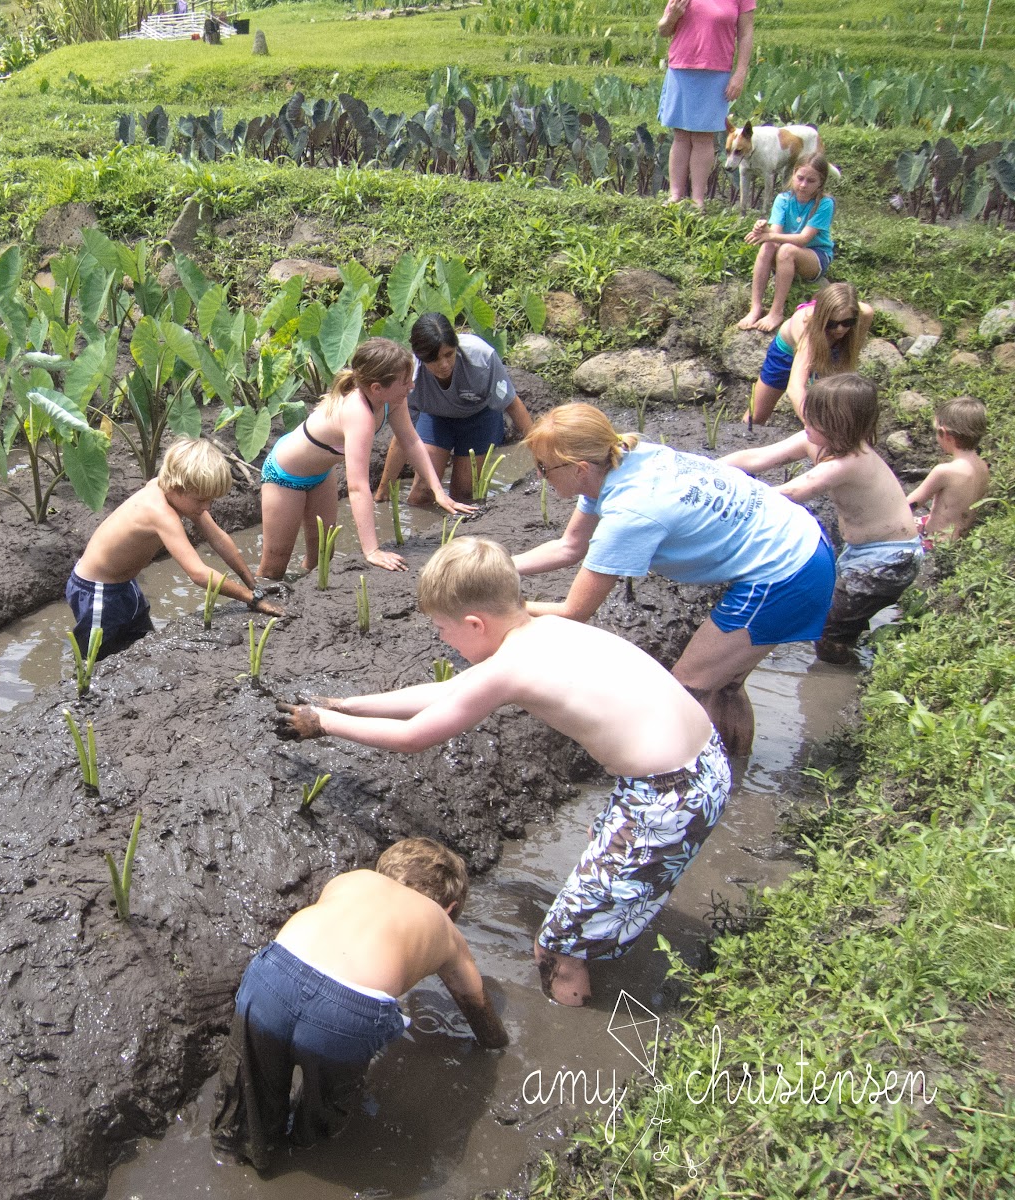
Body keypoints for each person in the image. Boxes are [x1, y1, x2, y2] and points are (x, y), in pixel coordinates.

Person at [275, 538, 730, 1008]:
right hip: (702, 764)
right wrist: (344, 705)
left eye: (442, 629)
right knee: (606, 898)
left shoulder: (512, 668)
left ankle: (568, 1042)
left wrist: (322, 724)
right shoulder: (549, 629)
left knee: (557, 943)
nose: (441, 639)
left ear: (475, 623)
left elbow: (417, 735)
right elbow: (451, 690)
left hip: (666, 798)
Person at [512, 403, 834, 756]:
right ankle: (737, 770)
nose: (541, 476)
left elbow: (575, 611)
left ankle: (704, 785)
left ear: (580, 469)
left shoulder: (631, 513)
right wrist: (499, 568)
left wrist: (503, 607)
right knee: (724, 684)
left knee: (687, 690)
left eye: (544, 467)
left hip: (786, 572)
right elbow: (569, 546)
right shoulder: (622, 460)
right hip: (803, 541)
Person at [210, 836, 509, 1170]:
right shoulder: (444, 927)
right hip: (347, 1011)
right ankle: (308, 1157)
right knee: (323, 1112)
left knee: (248, 1102)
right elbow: (475, 1003)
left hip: (272, 975)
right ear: (450, 908)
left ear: (383, 872)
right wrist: (496, 1048)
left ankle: (236, 1157)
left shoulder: (350, 880)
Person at [720, 374, 922, 665]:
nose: (806, 424)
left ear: (841, 427)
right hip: (862, 553)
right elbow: (756, 458)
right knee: (839, 614)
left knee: (829, 634)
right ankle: (852, 640)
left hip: (889, 560)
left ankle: (842, 679)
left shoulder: (848, 463)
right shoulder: (813, 440)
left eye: (815, 420)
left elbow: (792, 492)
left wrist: (735, 499)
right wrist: (707, 470)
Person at [260, 337, 472, 579]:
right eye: (404, 382)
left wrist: (438, 491)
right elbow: (358, 487)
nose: (411, 387)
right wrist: (371, 550)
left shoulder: (393, 400)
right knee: (274, 565)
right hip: (285, 474)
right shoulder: (358, 413)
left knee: (322, 556)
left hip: (320, 474)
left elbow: (411, 441)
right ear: (376, 388)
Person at [70, 437, 281, 661]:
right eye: (202, 500)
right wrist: (251, 599)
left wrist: (253, 584)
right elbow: (198, 574)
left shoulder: (176, 493)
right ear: (177, 487)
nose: (207, 507)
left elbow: (218, 537)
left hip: (126, 585)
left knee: (141, 644)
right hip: (97, 591)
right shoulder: (158, 511)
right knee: (94, 659)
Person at [374, 313, 533, 505]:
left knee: (464, 494)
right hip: (436, 418)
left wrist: (541, 454)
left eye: (449, 355)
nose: (444, 365)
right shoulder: (411, 376)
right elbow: (402, 438)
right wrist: (382, 491)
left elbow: (513, 404)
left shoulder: (481, 358)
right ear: (420, 357)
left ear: (456, 346)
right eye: (433, 360)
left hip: (479, 418)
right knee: (422, 492)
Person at [657, 0, 755, 207]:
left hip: (717, 72)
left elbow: (746, 34)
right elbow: (663, 30)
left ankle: (697, 199)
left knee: (704, 138)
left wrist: (740, 73)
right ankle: (675, 195)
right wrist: (672, 16)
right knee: (680, 135)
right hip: (681, 68)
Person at [746, 281, 872, 426]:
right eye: (831, 324)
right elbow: (795, 386)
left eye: (847, 322)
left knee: (834, 411)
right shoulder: (805, 325)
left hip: (832, 351)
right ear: (821, 317)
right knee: (755, 417)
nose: (839, 329)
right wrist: (811, 424)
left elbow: (850, 359)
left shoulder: (865, 314)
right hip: (786, 355)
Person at [737, 156, 837, 333]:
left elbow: (804, 239)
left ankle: (776, 312)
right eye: (800, 178)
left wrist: (769, 236)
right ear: (793, 174)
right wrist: (764, 229)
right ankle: (755, 308)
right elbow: (775, 234)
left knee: (786, 250)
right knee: (768, 246)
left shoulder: (825, 204)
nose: (803, 185)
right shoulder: (783, 199)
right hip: (787, 252)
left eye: (811, 181)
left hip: (814, 256)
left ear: (821, 183)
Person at [907, 395, 990, 549]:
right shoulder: (983, 467)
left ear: (945, 434)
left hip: (935, 541)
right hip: (959, 539)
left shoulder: (945, 471)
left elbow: (912, 504)